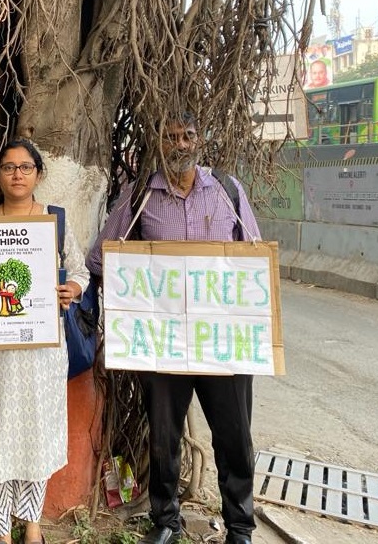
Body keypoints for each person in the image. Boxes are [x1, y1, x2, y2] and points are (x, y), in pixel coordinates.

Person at [85, 114, 261, 544]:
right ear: (157, 141)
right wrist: (132, 270)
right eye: (169, 135)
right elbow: (98, 259)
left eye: (188, 135)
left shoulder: (227, 191)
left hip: (223, 344)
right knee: (163, 438)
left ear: (201, 139)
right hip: (162, 344)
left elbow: (256, 261)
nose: (179, 143)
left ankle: (240, 526)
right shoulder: (141, 196)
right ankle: (166, 522)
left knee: (235, 437)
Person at [0, 139, 89, 544]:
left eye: (25, 167)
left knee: (36, 431)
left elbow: (80, 271)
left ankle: (32, 528)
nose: (17, 174)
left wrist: (72, 290)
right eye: (9, 167)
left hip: (39, 352)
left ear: (38, 173)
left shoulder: (55, 221)